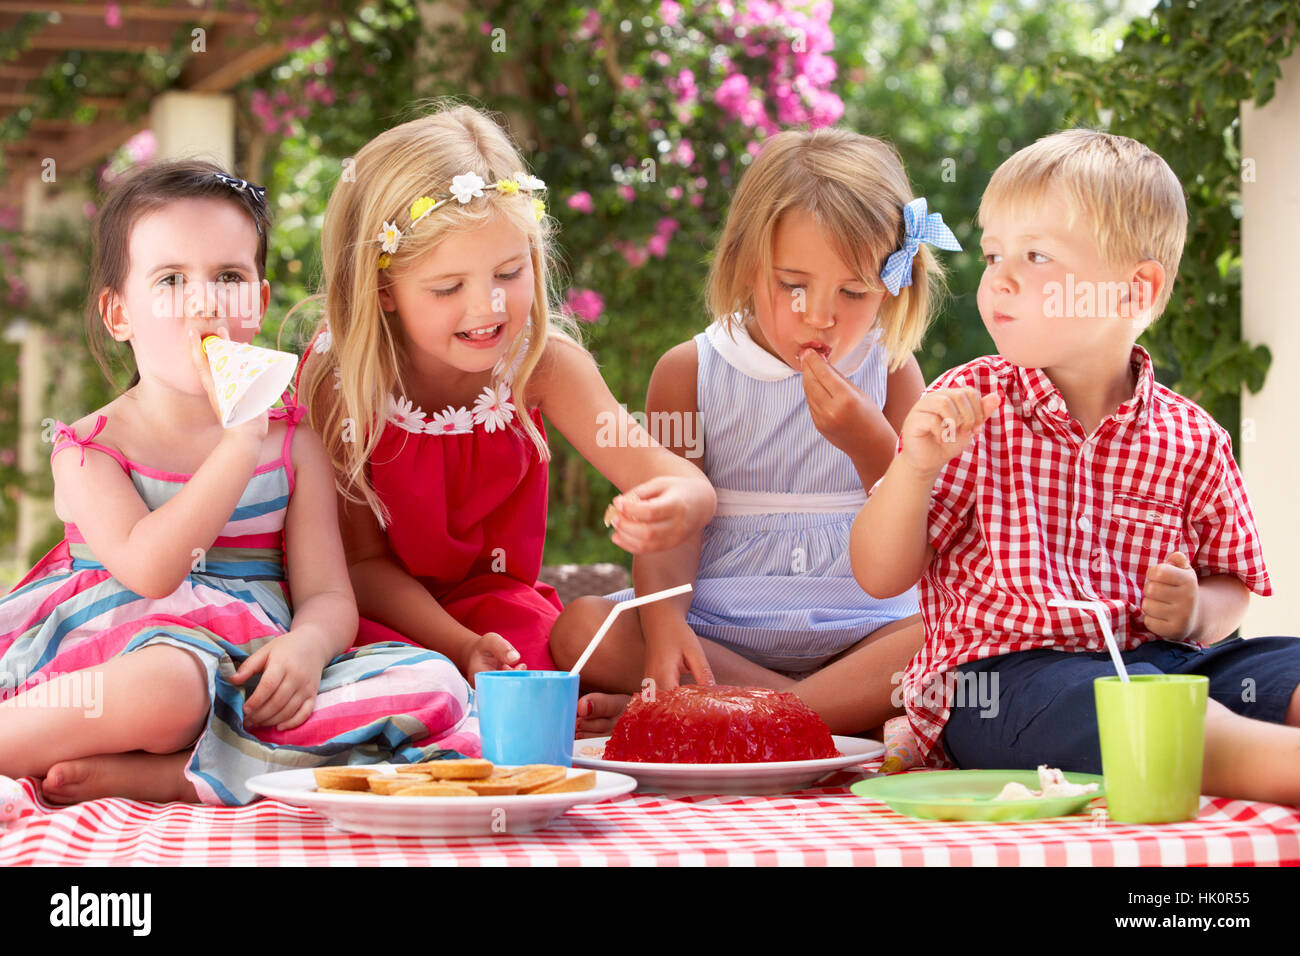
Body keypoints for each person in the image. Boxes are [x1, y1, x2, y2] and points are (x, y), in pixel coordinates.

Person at [0, 160, 477, 806]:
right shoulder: (92, 446)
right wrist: (238, 442)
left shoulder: (294, 444)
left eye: (229, 277)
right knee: (173, 687)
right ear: (119, 314)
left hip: (251, 667)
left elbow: (329, 595)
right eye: (171, 280)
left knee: (435, 686)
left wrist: (307, 649)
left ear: (257, 300)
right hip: (117, 663)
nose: (206, 303)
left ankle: (168, 775)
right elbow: (151, 569)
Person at [853, 129, 1300, 804]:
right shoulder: (972, 406)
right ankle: (1268, 763)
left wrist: (1194, 613)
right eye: (993, 252)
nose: (998, 277)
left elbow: (1230, 586)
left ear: (1134, 290)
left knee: (1279, 665)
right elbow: (878, 575)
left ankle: (1246, 742)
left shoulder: (1192, 435)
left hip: (1162, 662)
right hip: (1000, 684)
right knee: (1144, 718)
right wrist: (913, 471)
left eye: (1035, 256)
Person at [551, 128, 960, 736]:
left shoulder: (891, 369)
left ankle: (729, 716)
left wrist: (869, 441)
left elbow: (918, 527)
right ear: (747, 265)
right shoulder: (690, 370)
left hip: (862, 625)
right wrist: (665, 630)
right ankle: (814, 716)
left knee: (948, 635)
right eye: (793, 285)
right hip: (723, 628)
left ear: (892, 284)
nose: (819, 315)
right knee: (581, 627)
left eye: (852, 291)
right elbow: (673, 530)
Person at [294, 103, 715, 683]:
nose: (487, 307)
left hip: (504, 620)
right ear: (384, 289)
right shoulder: (341, 381)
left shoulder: (541, 366)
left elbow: (671, 475)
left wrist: (678, 504)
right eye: (447, 287)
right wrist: (460, 646)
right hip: (381, 619)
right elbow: (360, 567)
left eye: (510, 273)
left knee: (582, 646)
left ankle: (776, 703)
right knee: (392, 692)